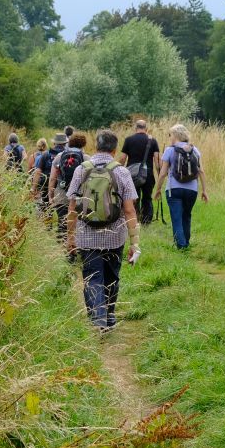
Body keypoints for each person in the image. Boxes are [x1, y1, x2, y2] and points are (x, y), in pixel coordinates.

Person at [67, 129, 139, 331]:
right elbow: (129, 209)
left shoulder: (81, 169)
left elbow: (72, 208)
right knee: (111, 277)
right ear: (115, 150)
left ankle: (97, 318)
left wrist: (70, 238)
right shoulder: (121, 172)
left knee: (92, 278)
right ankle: (108, 317)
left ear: (95, 147)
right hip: (114, 237)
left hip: (87, 237)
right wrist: (135, 243)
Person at [154, 124, 208, 249]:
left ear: (176, 136)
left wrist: (158, 190)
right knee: (186, 216)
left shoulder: (170, 150)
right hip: (192, 190)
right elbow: (201, 171)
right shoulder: (195, 150)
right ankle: (185, 244)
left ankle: (181, 246)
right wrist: (204, 190)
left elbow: (163, 173)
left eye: (170, 135)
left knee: (176, 218)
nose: (170, 137)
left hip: (174, 189)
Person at [118, 120, 161, 225]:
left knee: (134, 198)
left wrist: (119, 172)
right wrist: (160, 175)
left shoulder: (129, 140)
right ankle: (146, 222)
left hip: (132, 175)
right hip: (148, 174)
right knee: (147, 198)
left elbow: (123, 159)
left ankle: (135, 219)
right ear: (146, 128)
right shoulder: (153, 141)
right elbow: (157, 161)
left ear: (135, 128)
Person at [49, 133, 87, 246]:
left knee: (62, 224)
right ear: (83, 144)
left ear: (69, 143)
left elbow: (52, 178)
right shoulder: (86, 158)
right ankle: (75, 251)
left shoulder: (59, 156)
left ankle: (61, 252)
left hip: (61, 195)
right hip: (79, 198)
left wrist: (51, 195)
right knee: (77, 225)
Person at [32, 134, 67, 211]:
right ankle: (61, 221)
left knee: (46, 208)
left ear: (54, 143)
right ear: (65, 144)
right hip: (62, 186)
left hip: (46, 183)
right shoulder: (67, 155)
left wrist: (33, 188)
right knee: (62, 209)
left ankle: (47, 221)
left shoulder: (46, 154)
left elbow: (38, 172)